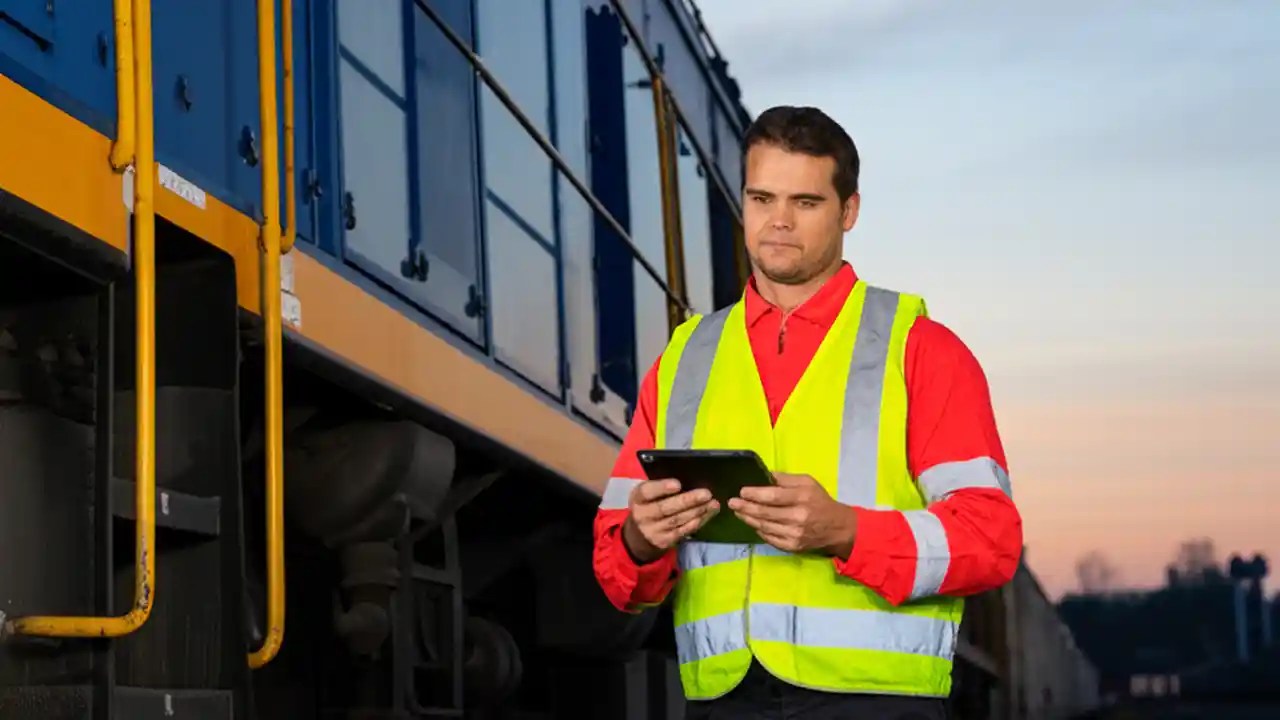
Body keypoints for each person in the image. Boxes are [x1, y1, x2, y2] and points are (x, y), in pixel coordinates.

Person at [591, 105, 1023, 719]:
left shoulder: (920, 349)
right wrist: (641, 537)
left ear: (848, 211)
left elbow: (991, 540)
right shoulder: (684, 359)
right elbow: (614, 562)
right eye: (762, 198)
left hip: (876, 703)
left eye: (806, 203)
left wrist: (848, 531)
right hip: (723, 703)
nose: (779, 222)